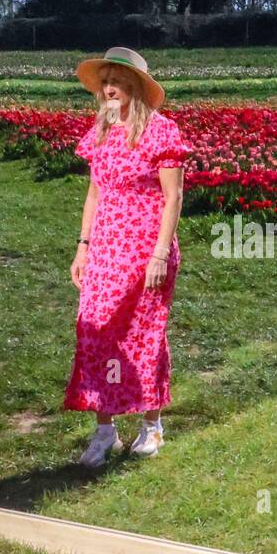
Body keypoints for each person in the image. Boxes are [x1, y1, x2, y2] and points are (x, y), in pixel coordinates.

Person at [63, 47, 189, 466]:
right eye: (105, 82)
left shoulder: (162, 132)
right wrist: (83, 247)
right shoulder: (101, 131)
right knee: (95, 330)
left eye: (117, 81)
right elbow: (94, 192)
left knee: (142, 334)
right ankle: (105, 431)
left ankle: (151, 425)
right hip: (104, 249)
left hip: (144, 250)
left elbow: (173, 199)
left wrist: (158, 255)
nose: (110, 89)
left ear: (136, 87)